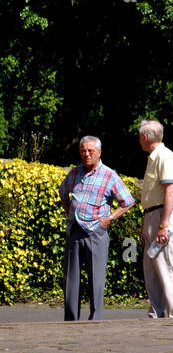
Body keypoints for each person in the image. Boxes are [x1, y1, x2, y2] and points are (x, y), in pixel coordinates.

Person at [58, 137, 134, 321]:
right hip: (75, 231)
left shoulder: (109, 175)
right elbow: (62, 193)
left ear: (99, 152)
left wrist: (109, 218)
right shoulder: (74, 173)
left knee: (96, 279)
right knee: (71, 279)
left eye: (90, 151)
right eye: (83, 151)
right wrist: (70, 213)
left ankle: (95, 319)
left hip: (96, 232)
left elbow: (128, 201)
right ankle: (71, 320)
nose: (86, 154)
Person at [138, 119, 173, 320]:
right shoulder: (154, 157)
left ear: (146, 137)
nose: (139, 140)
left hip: (161, 216)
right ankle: (157, 310)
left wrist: (163, 225)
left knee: (167, 264)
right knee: (152, 266)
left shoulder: (165, 157)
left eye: (140, 136)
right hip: (152, 215)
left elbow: (170, 191)